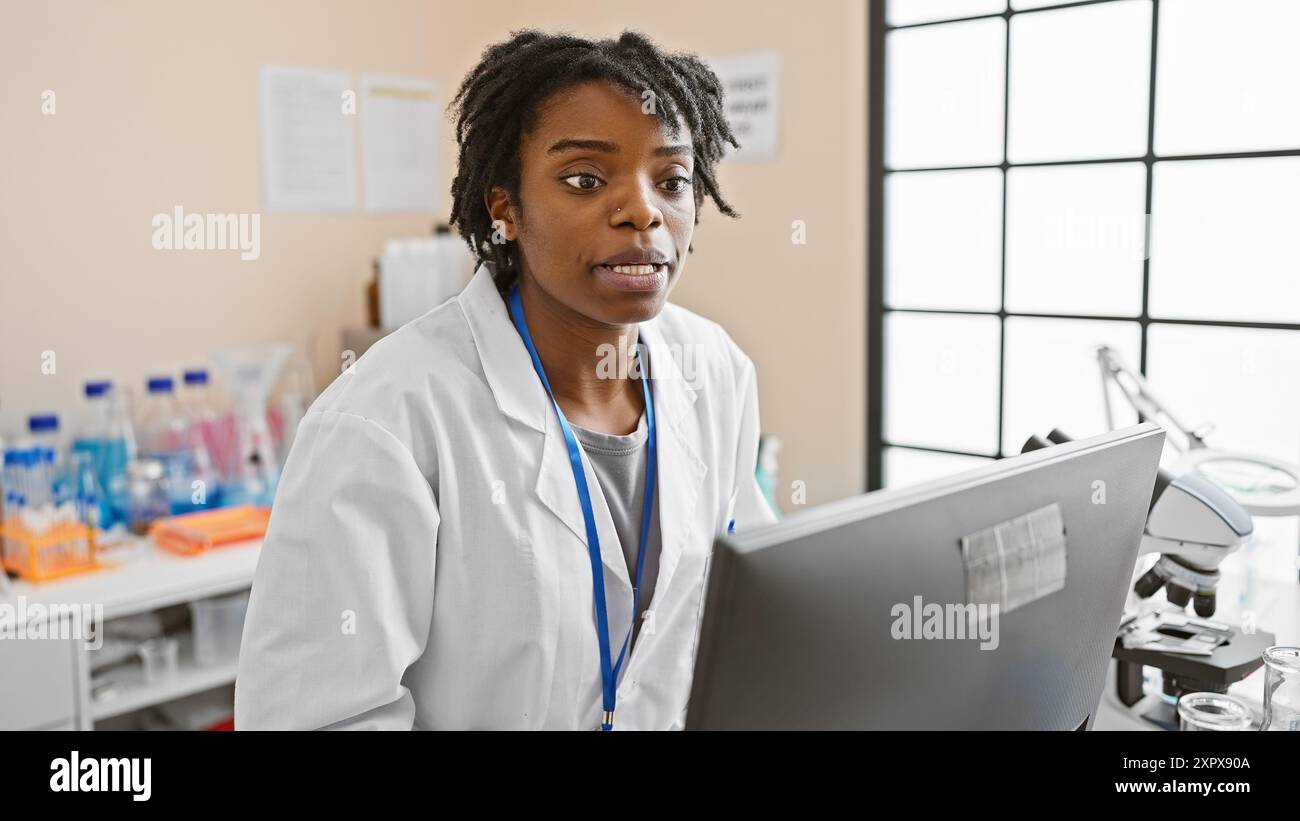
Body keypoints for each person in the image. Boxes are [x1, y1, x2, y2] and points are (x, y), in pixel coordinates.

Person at [235, 29, 776, 731]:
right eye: (585, 178)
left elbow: (752, 615)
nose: (643, 211)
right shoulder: (387, 421)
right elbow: (312, 716)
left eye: (671, 180)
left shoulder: (717, 372)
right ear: (505, 209)